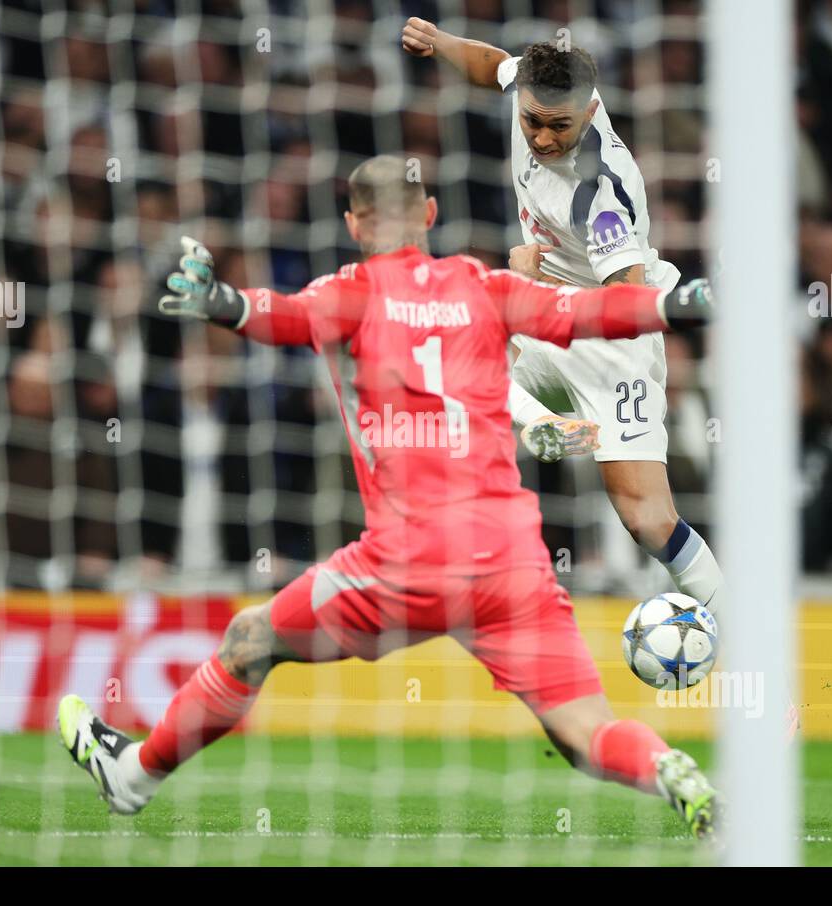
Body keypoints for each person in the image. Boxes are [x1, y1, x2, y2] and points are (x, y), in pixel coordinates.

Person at [57, 155, 721, 837]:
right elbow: (590, 312)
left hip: (404, 562)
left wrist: (218, 302)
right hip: (510, 562)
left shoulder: (352, 291)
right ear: (430, 214)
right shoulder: (485, 285)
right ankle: (668, 765)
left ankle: (134, 776)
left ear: (352, 223)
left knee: (251, 639)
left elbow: (279, 316)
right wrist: (680, 303)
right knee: (588, 732)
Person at [400, 24, 725, 617]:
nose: (543, 137)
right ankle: (535, 428)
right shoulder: (532, 84)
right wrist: (441, 42)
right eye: (533, 123)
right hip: (544, 316)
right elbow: (493, 63)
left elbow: (625, 309)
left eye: (560, 126)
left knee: (647, 519)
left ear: (590, 109)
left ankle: (756, 669)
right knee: (443, 372)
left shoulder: (599, 195)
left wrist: (531, 281)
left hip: (608, 337)